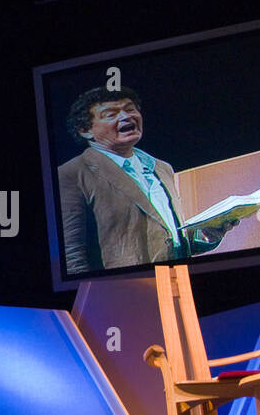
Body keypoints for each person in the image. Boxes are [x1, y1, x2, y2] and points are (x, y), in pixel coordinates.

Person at [58, 86, 233, 275]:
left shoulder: (162, 168)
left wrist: (205, 235)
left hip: (178, 281)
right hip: (127, 292)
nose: (126, 117)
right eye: (111, 114)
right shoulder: (73, 173)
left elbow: (169, 236)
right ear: (85, 130)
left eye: (130, 109)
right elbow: (71, 254)